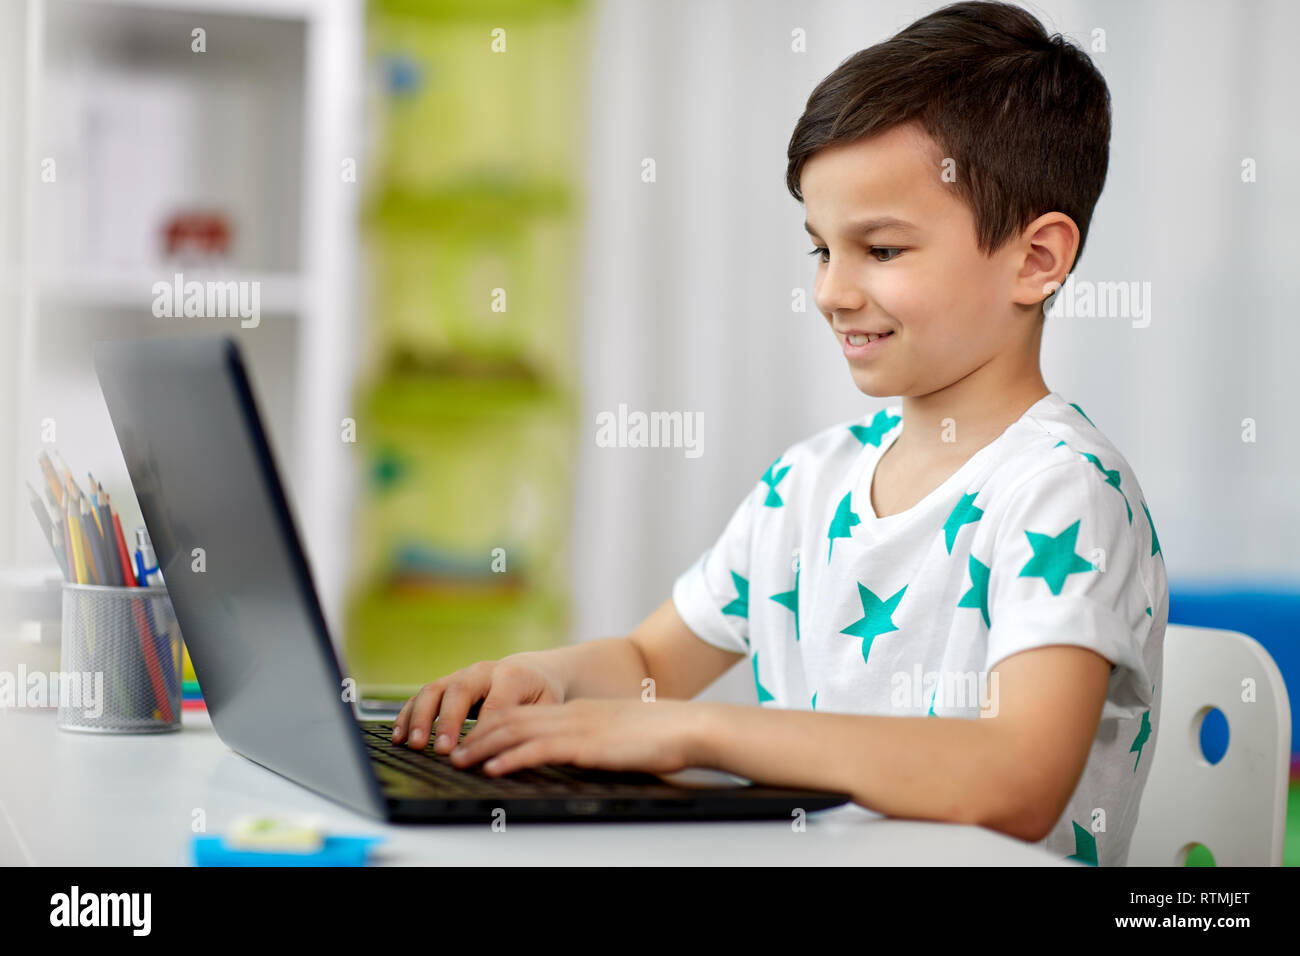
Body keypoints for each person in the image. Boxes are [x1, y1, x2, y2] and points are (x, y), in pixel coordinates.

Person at [392, 0, 1166, 867]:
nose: (832, 291)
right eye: (820, 250)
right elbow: (651, 659)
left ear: (1036, 260)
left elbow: (1016, 780)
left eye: (880, 250)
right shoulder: (807, 484)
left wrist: (697, 735)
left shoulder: (1062, 491)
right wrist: (552, 677)